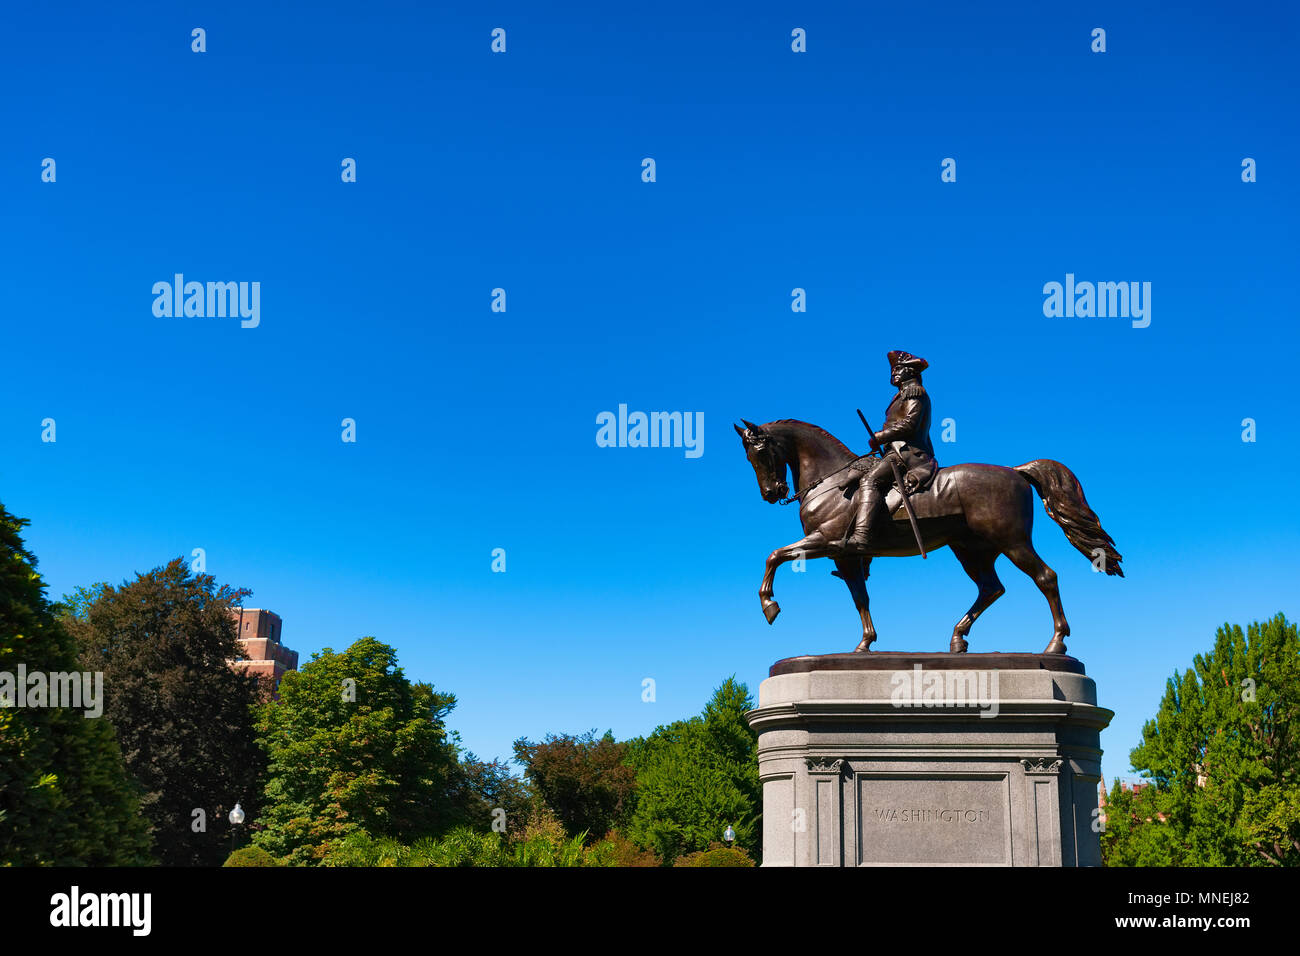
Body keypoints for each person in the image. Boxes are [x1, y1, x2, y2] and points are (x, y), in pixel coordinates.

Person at [843, 350, 938, 552]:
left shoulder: (914, 392)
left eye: (898, 369)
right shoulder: (900, 395)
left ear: (910, 371)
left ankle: (861, 537)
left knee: (870, 480)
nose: (894, 373)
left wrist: (881, 436)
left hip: (908, 453)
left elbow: (910, 424)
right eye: (893, 369)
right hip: (894, 451)